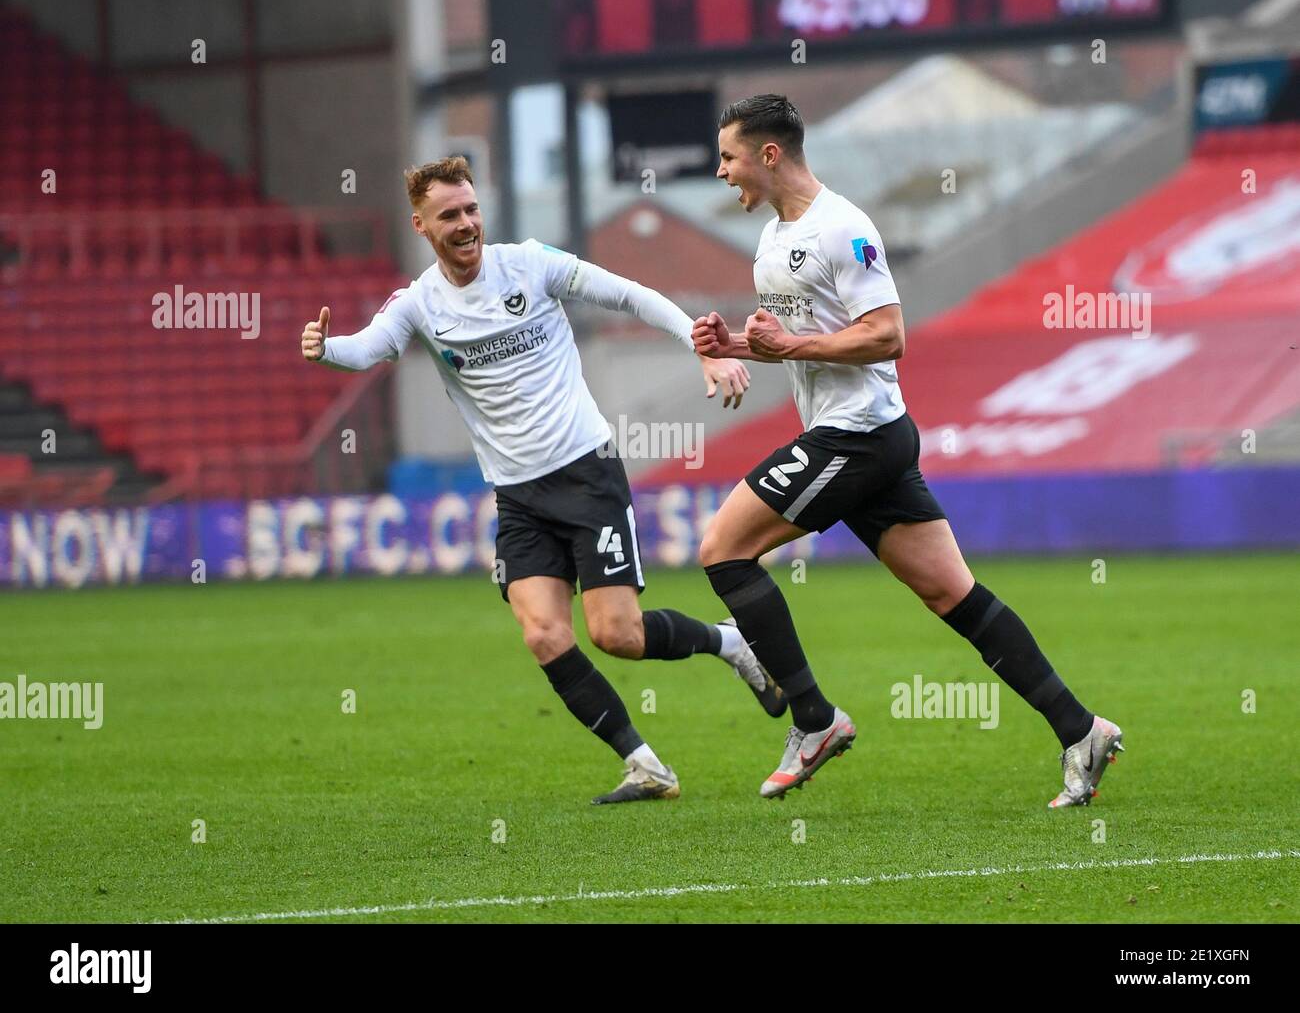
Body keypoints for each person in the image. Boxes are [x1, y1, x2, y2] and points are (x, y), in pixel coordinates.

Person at [302, 156, 786, 805]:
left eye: (472, 209)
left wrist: (697, 343)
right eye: (450, 215)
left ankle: (731, 644)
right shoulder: (419, 304)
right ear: (422, 226)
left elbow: (628, 293)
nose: (467, 223)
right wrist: (326, 349)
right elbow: (367, 347)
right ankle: (645, 765)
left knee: (617, 635)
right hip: (519, 497)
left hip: (586, 473)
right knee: (543, 635)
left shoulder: (529, 264)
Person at [692, 95, 1124, 806]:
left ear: (769, 155)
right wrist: (739, 345)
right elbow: (811, 345)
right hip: (859, 437)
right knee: (952, 594)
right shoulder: (772, 239)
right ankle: (1080, 729)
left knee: (723, 549)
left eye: (729, 157)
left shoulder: (844, 227)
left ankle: (814, 718)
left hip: (857, 434)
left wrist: (789, 343)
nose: (720, 171)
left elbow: (888, 334)